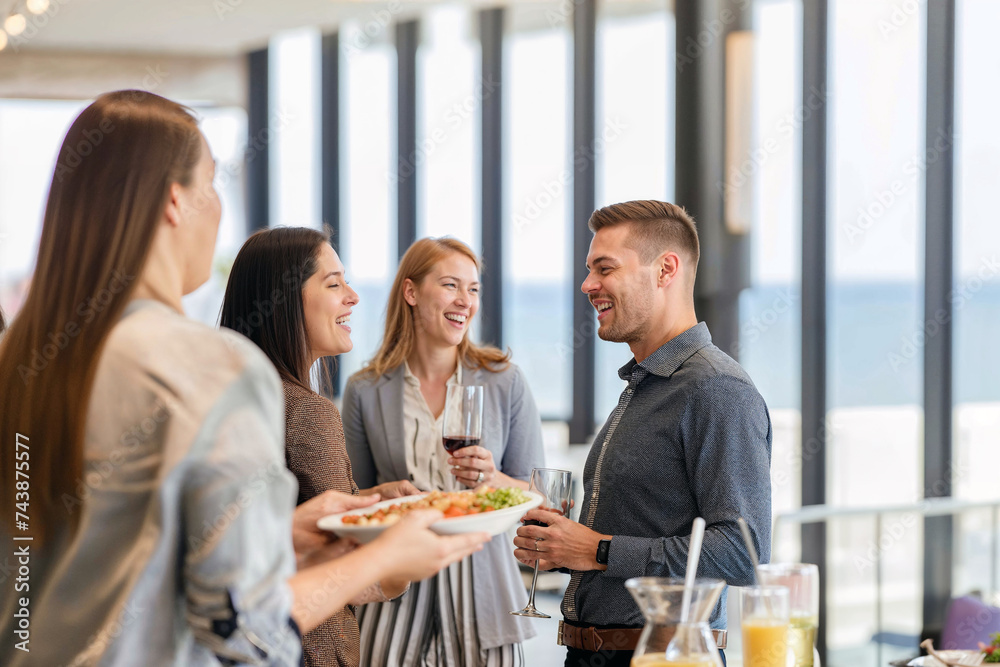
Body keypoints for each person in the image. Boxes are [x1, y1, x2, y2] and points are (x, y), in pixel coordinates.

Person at [0, 90, 487, 666]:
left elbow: (108, 574)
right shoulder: (210, 367)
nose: (219, 209)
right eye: (213, 183)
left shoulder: (21, 361)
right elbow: (244, 629)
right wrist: (385, 558)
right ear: (175, 201)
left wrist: (283, 535)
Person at [512, 200, 772, 667]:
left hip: (663, 657)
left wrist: (597, 550)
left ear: (665, 269)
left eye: (604, 268)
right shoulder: (644, 384)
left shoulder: (716, 389)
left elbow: (741, 554)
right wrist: (568, 548)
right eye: (589, 270)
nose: (587, 285)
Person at [220, 226, 422, 667]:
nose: (352, 296)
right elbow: (347, 559)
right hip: (313, 646)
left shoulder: (231, 398)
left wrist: (369, 500)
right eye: (333, 284)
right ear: (286, 299)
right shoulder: (307, 410)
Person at [342, 237, 546, 667]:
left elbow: (539, 496)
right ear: (411, 292)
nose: (465, 301)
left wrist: (492, 480)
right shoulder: (365, 389)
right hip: (394, 585)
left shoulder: (504, 381)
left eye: (473, 289)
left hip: (484, 591)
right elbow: (351, 497)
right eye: (451, 285)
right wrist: (383, 496)